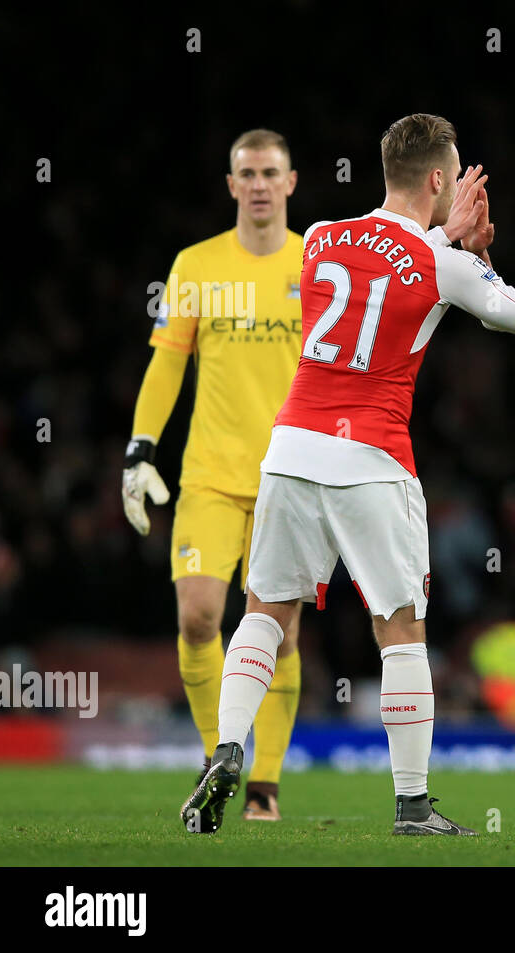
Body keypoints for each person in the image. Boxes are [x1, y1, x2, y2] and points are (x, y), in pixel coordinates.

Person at [181, 112, 515, 836]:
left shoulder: (322, 238)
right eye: (454, 177)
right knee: (398, 627)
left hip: (291, 450)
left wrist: (447, 241)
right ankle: (412, 806)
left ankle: (227, 747)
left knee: (266, 612)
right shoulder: (440, 263)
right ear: (438, 179)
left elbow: (379, 276)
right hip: (371, 458)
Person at [124, 129, 304, 821]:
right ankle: (216, 756)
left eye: (270, 172)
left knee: (280, 633)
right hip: (208, 475)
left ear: (291, 183)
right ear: (231, 185)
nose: (258, 184)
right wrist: (141, 447)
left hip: (289, 478)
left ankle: (264, 783)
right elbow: (168, 361)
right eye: (246, 173)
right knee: (199, 616)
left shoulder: (314, 264)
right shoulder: (196, 265)